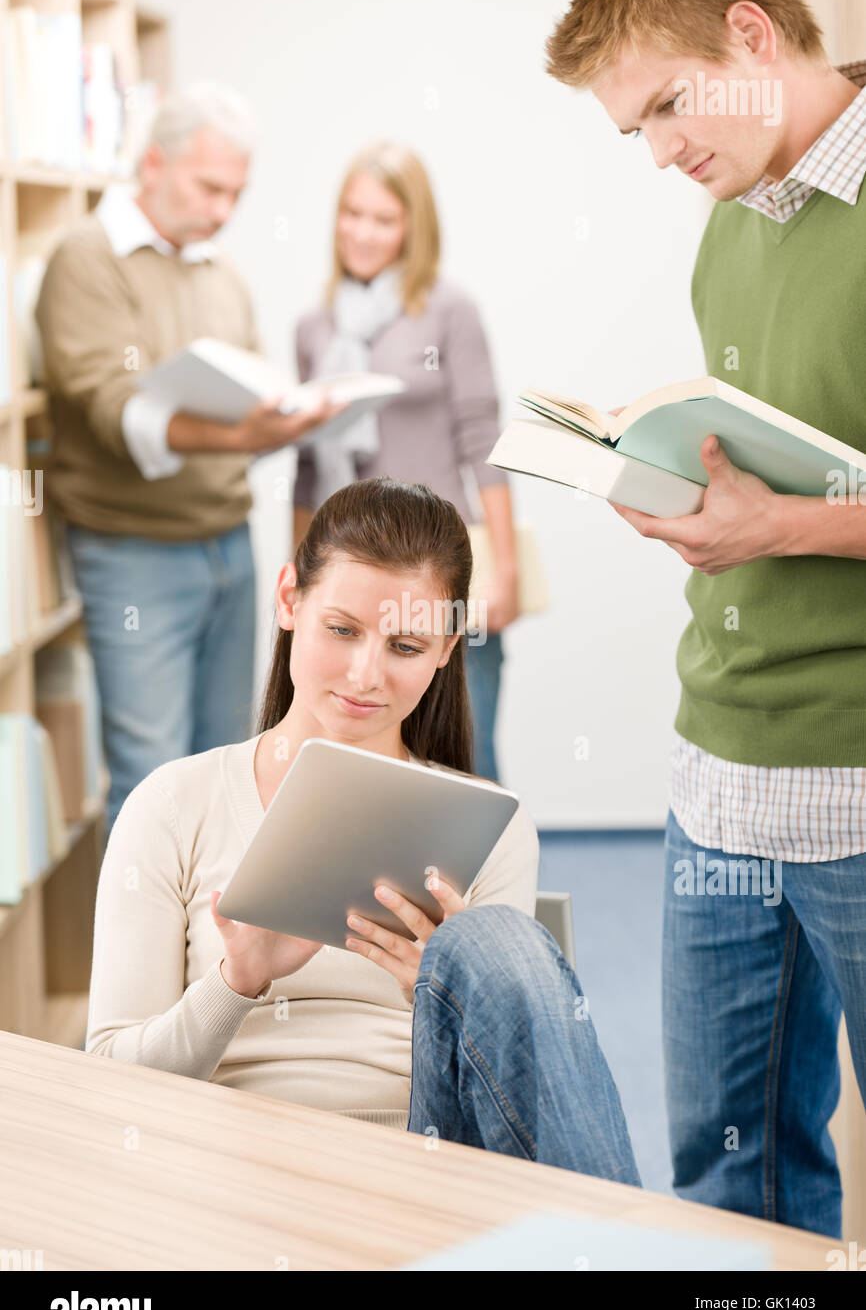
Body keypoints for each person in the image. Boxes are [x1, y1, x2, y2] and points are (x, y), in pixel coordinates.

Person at [545, 0, 866, 1237]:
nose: (661, 150)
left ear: (748, 33)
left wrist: (774, 528)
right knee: (724, 1176)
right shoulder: (729, 223)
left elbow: (793, 509)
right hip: (720, 775)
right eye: (635, 130)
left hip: (853, 770)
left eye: (669, 105)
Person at [85, 477, 640, 1184]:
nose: (364, 674)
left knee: (500, 949)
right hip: (225, 1155)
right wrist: (237, 982)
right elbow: (104, 1082)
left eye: (405, 646)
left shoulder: (489, 827)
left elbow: (517, 1091)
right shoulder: (172, 805)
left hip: (419, 1157)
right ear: (289, 601)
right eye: (341, 630)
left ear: (445, 650)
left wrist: (448, 993)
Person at [35, 81, 338, 834]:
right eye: (209, 187)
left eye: (237, 193)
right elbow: (114, 410)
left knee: (228, 773)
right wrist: (237, 437)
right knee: (149, 784)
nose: (223, 211)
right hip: (133, 551)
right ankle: (146, 958)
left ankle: (213, 956)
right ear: (155, 164)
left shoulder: (218, 270)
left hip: (229, 549)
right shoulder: (83, 258)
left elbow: (254, 387)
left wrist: (286, 418)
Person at [291, 140, 519, 783]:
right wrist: (304, 580)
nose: (362, 233)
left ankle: (486, 886)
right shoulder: (315, 325)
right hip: (350, 576)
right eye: (351, 214)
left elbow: (483, 438)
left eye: (383, 219)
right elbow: (308, 466)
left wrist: (504, 571)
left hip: (436, 564)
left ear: (414, 228)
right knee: (354, 761)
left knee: (462, 759)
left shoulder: (449, 310)